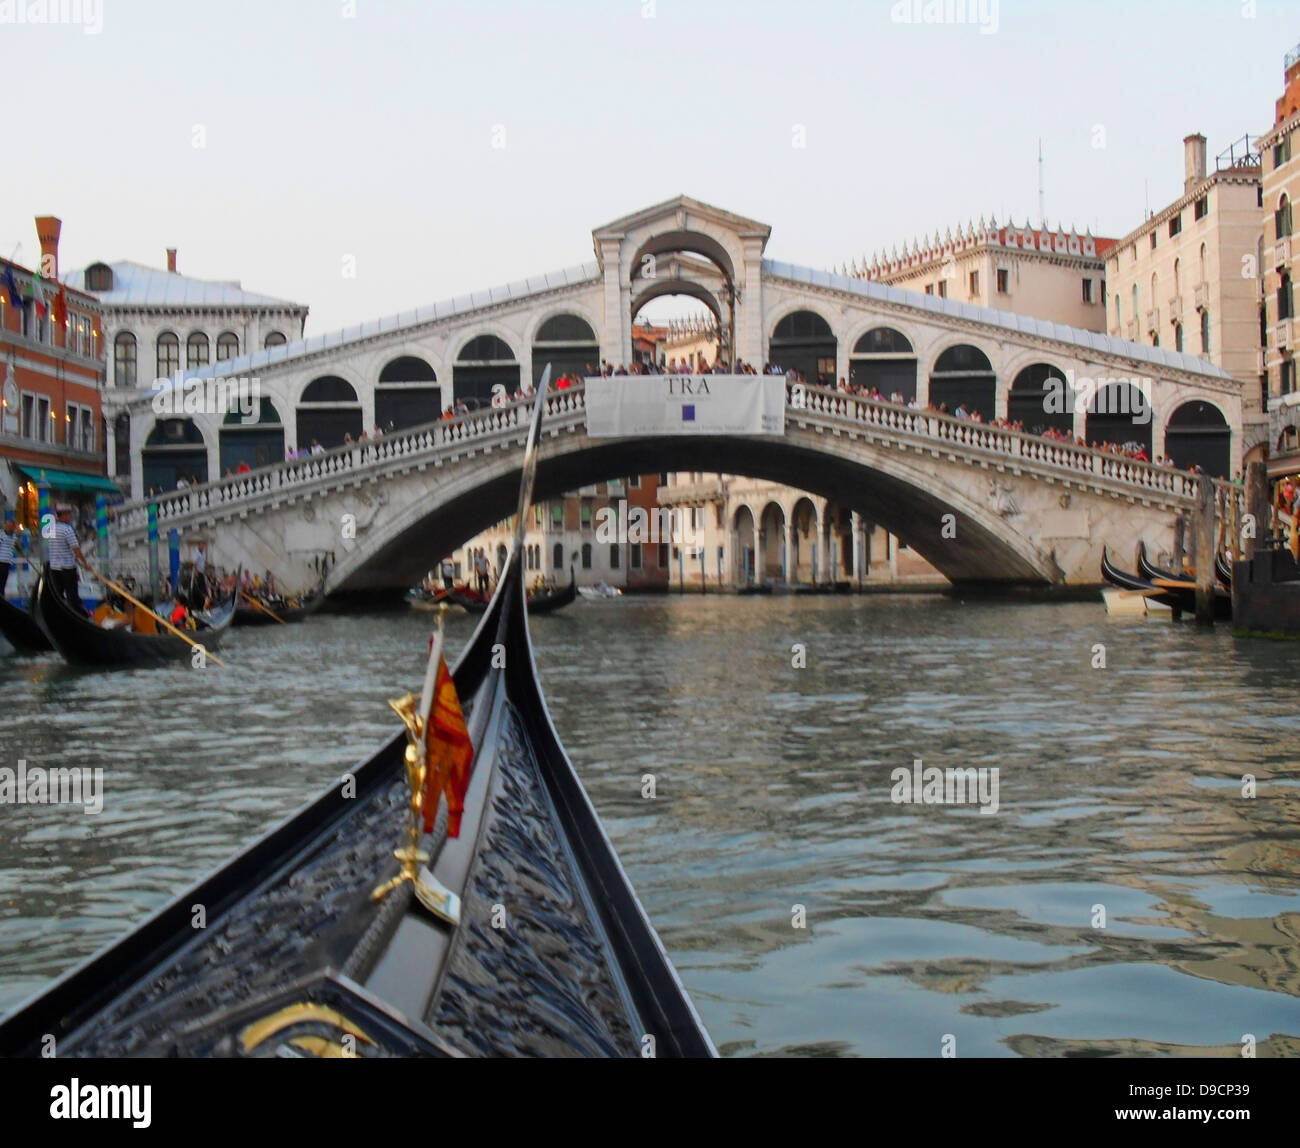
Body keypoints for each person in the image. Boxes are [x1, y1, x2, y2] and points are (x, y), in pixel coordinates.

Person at [48, 506, 88, 614]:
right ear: (64, 515)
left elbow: (54, 547)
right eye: (69, 514)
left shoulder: (51, 529)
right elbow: (76, 549)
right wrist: (85, 563)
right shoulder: (67, 530)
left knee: (58, 595)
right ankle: (77, 614)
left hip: (54, 568)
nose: (70, 517)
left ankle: (57, 614)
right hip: (67, 568)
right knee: (72, 595)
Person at [0, 514, 21, 594]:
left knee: (3, 581)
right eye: (8, 526)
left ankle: (2, 595)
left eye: (11, 526)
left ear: (13, 527)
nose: (9, 528)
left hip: (8, 562)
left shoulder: (14, 537)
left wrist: (20, 549)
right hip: (0, 561)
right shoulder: (1, 535)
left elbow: (17, 547)